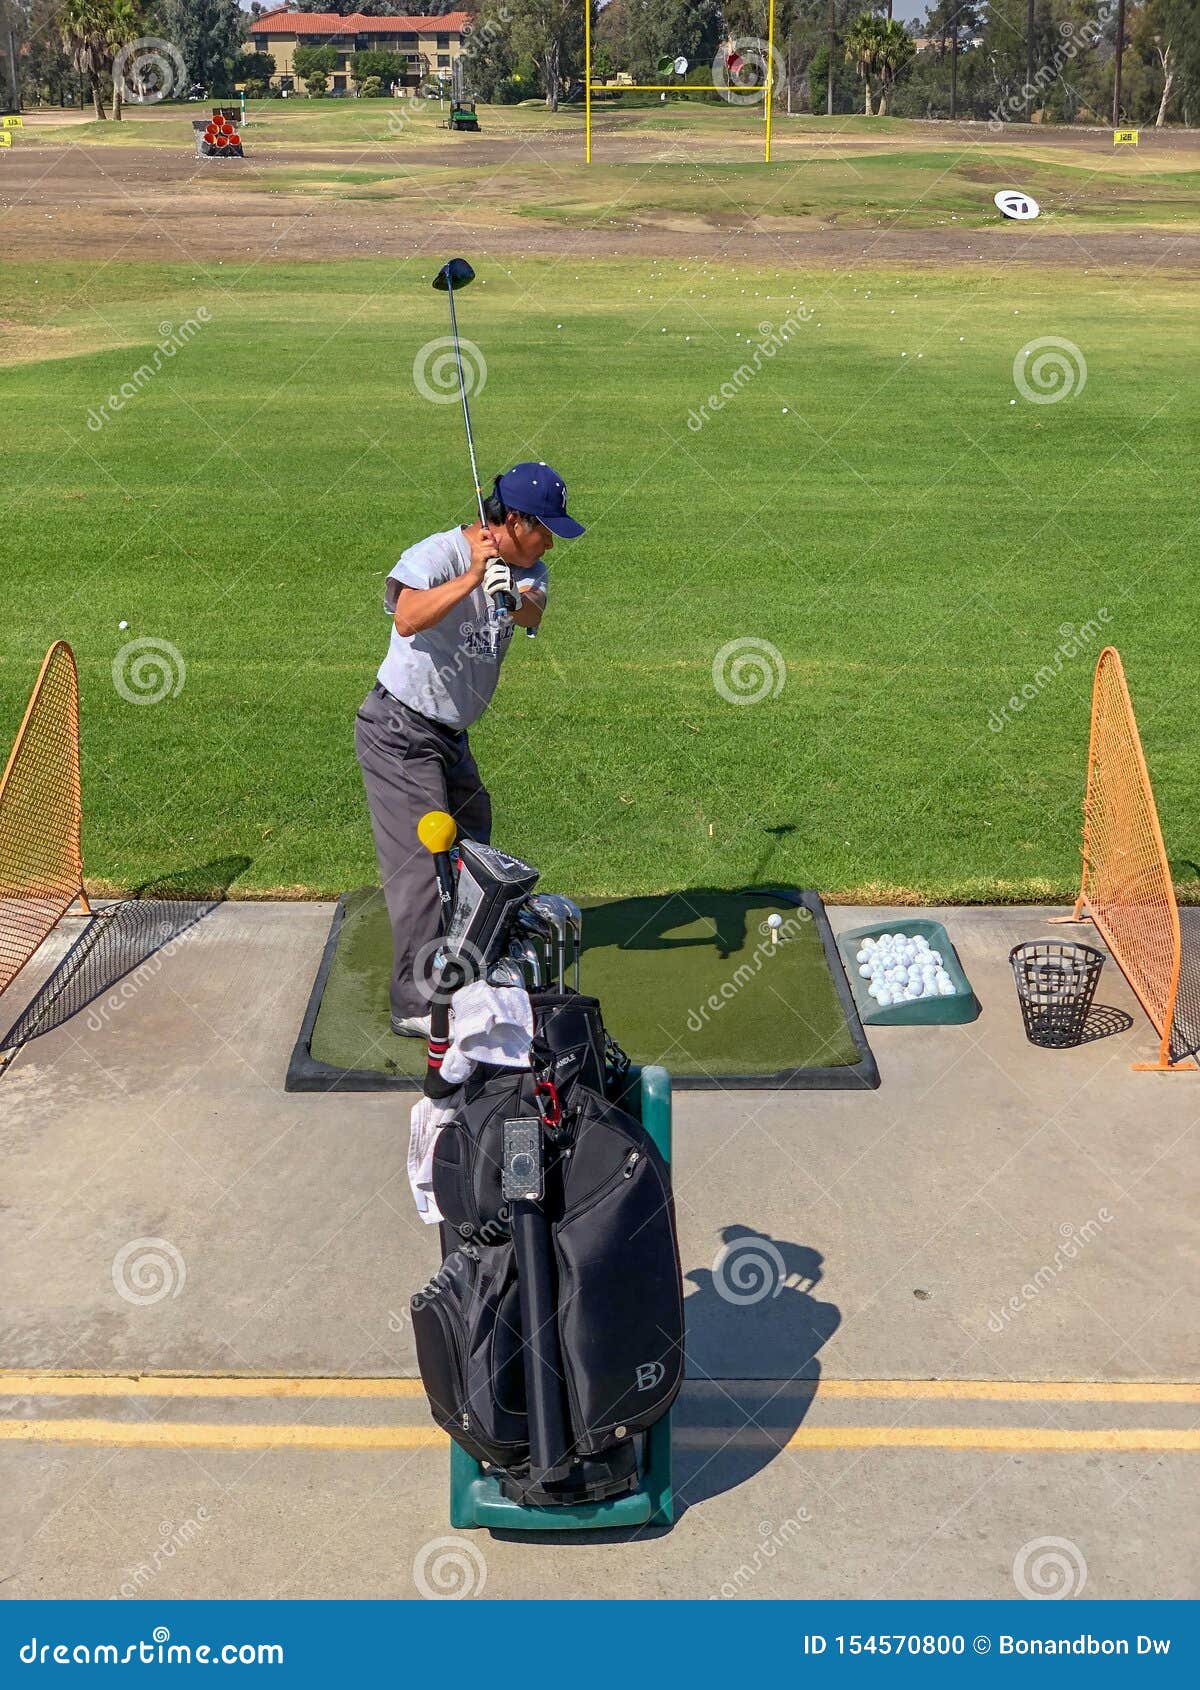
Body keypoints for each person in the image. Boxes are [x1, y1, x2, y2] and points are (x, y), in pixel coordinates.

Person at [355, 462, 585, 1036]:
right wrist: (472, 576)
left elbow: (535, 609)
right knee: (422, 870)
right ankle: (415, 1003)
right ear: (514, 520)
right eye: (545, 528)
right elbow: (407, 616)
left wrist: (509, 596)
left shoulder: (530, 568)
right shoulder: (440, 554)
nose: (551, 539)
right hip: (400, 732)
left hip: (448, 736)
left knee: (472, 839)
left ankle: (463, 962)